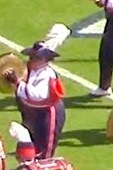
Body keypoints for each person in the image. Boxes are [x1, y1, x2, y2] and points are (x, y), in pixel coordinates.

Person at [8, 25, 69, 159]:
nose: (31, 60)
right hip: (32, 113)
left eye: (35, 58)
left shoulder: (47, 75)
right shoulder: (29, 70)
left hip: (47, 114)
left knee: (44, 150)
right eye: (31, 57)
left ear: (44, 60)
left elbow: (38, 95)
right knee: (29, 145)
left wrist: (18, 83)